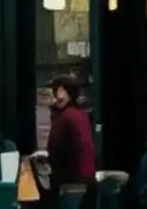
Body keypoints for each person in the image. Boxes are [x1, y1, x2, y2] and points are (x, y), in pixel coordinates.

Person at [45, 76, 95, 209]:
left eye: (55, 92)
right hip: (85, 178)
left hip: (69, 180)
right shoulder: (81, 115)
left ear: (63, 92)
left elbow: (55, 147)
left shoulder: (65, 118)